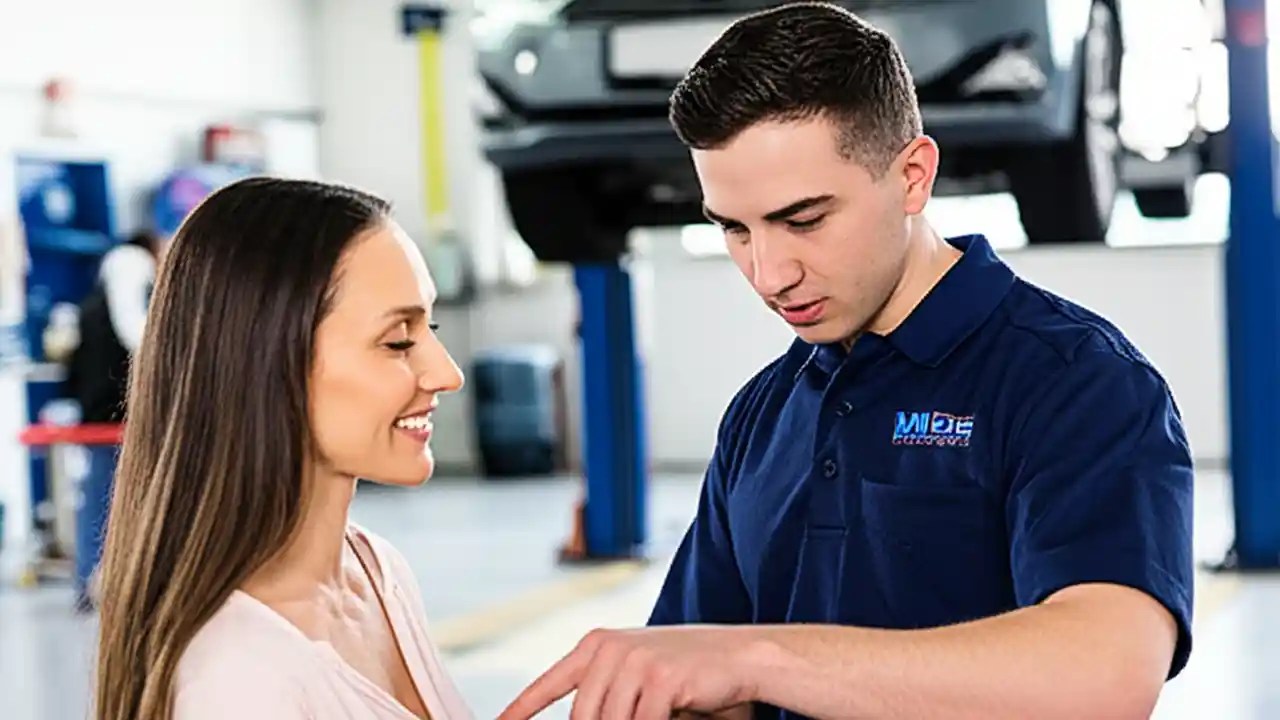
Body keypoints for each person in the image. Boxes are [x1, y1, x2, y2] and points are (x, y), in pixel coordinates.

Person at [499, 3, 1194, 719]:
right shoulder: (763, 412)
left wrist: (758, 660)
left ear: (913, 177)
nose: (769, 274)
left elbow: (1106, 677)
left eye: (804, 220)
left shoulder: (1077, 383)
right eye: (735, 229)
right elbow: (704, 673)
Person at [93, 177, 473, 720]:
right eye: (398, 341)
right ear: (270, 363)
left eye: (428, 325)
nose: (447, 373)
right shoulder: (237, 683)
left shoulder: (377, 570)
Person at [67, 229, 163, 423]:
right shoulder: (132, 265)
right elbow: (132, 331)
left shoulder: (103, 288)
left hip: (98, 398)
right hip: (115, 402)